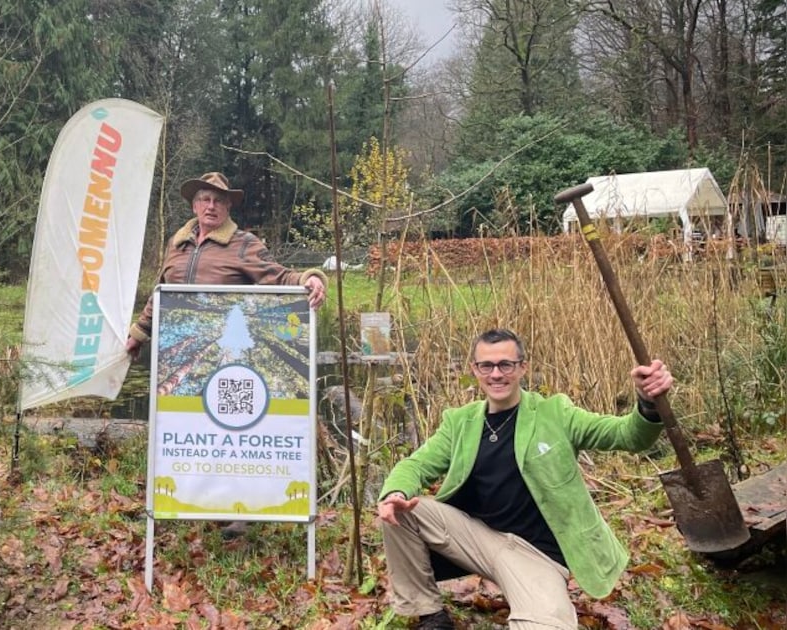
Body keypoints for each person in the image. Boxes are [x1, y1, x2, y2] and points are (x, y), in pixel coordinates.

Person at [375, 329, 673, 629]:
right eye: (486, 366)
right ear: (474, 370)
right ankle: (431, 615)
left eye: (506, 365)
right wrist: (396, 492)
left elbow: (628, 435)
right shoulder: (460, 422)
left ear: (522, 367)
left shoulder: (556, 412)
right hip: (477, 539)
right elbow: (415, 465)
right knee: (400, 511)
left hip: (537, 556)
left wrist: (647, 403)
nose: (496, 374)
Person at [124, 171, 328, 539]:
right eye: (205, 198)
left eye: (219, 200)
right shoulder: (179, 244)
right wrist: (139, 332)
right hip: (181, 360)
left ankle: (241, 512)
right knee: (185, 431)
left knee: (231, 434)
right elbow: (161, 292)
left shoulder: (242, 243)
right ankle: (182, 500)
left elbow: (277, 276)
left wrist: (309, 279)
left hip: (230, 359)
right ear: (194, 204)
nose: (211, 206)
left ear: (228, 205)